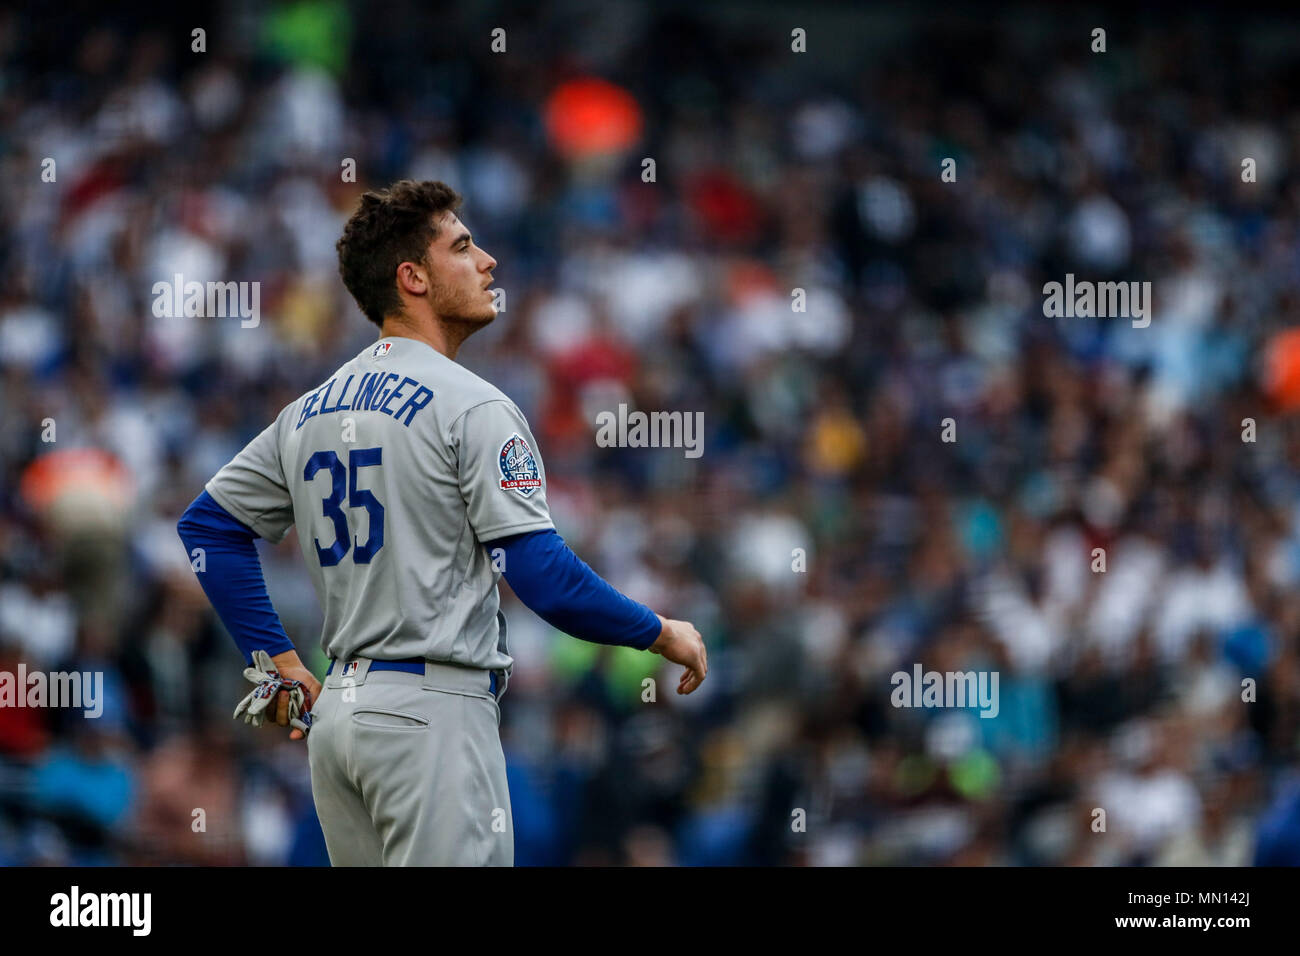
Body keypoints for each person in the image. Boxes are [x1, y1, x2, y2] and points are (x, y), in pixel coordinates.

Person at [176, 180, 707, 866]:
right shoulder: (474, 405)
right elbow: (541, 577)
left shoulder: (309, 409)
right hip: (431, 716)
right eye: (462, 247)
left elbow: (209, 530)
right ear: (413, 277)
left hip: (338, 717)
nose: (487, 261)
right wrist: (660, 632)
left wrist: (277, 661)